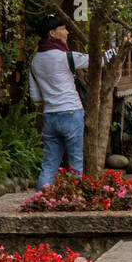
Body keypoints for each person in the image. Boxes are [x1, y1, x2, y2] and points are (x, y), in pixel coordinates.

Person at [28, 15, 88, 188]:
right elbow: (98, 60)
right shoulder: (65, 57)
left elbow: (36, 97)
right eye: (63, 28)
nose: (67, 32)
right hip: (71, 113)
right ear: (52, 33)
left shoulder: (35, 61)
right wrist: (117, 48)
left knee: (49, 165)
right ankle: (75, 201)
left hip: (50, 116)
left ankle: (41, 201)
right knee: (76, 163)